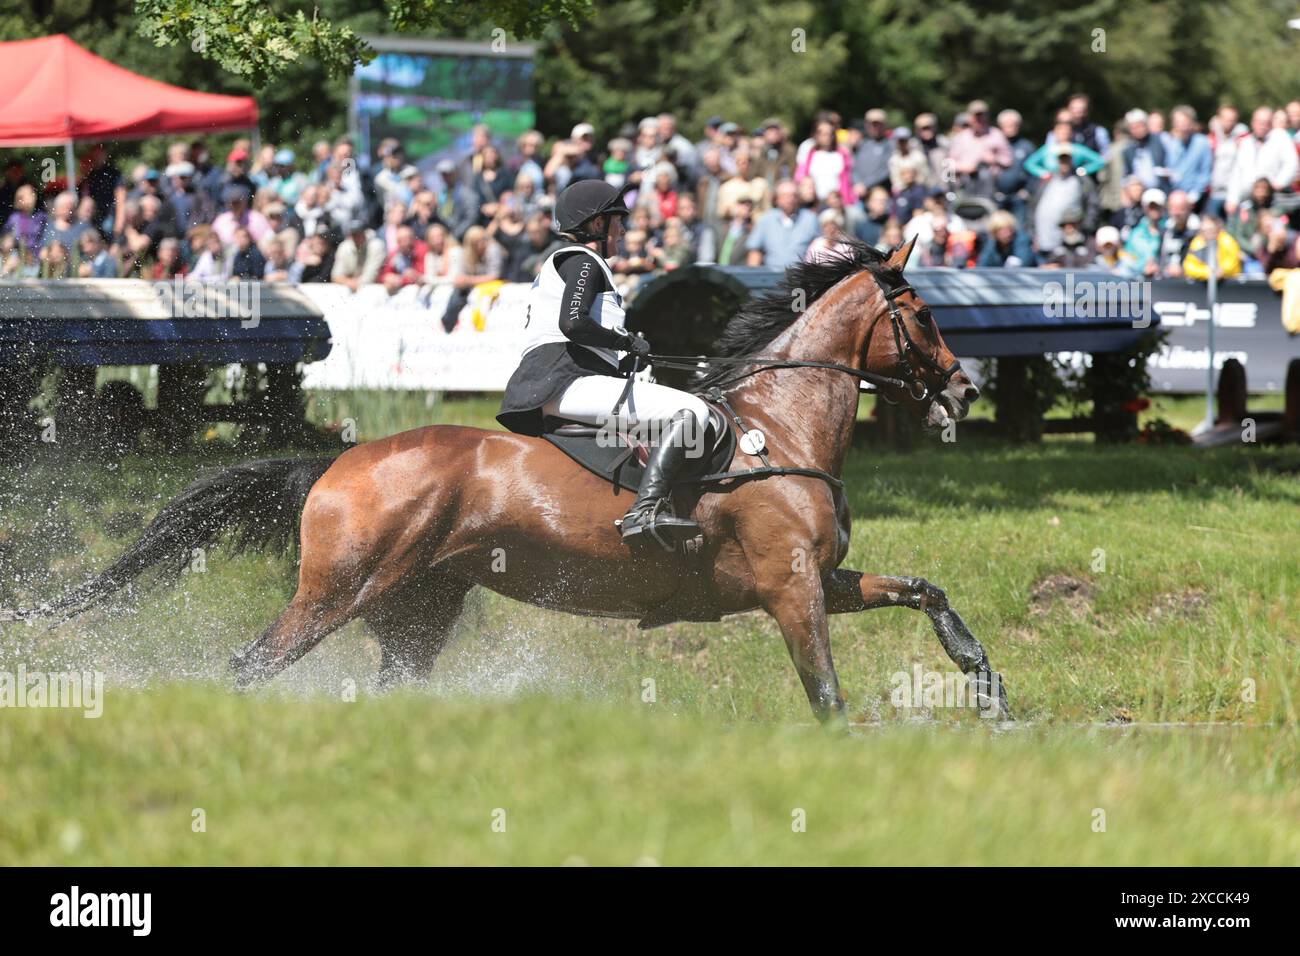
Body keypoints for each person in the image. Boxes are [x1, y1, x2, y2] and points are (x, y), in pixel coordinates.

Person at [496, 180, 712, 550]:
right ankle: (645, 512)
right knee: (691, 410)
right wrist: (625, 341)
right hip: (564, 380)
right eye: (618, 221)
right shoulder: (584, 260)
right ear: (596, 225)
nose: (624, 230)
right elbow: (574, 323)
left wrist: (623, 355)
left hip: (559, 379)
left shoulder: (572, 263)